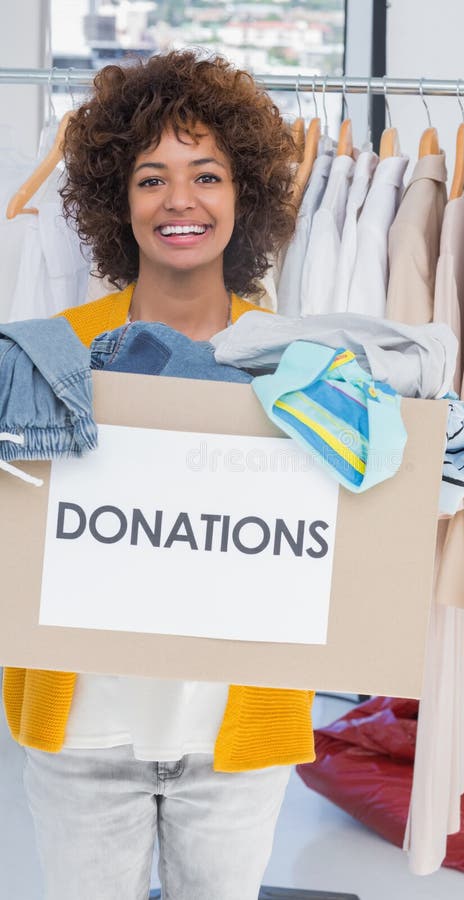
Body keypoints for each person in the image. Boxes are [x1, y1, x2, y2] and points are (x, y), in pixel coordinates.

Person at [2, 49, 315, 900]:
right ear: (119, 202)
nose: (181, 199)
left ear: (244, 195)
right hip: (82, 739)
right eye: (152, 179)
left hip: (234, 747)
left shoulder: (300, 365)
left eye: (206, 174)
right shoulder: (44, 351)